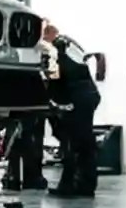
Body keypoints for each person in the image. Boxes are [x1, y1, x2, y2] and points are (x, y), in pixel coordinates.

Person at [43, 23, 100, 198]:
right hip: (89, 94)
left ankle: (67, 186)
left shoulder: (54, 49)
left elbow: (55, 77)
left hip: (77, 97)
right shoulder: (70, 44)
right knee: (85, 142)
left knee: (71, 142)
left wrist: (51, 101)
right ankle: (86, 185)